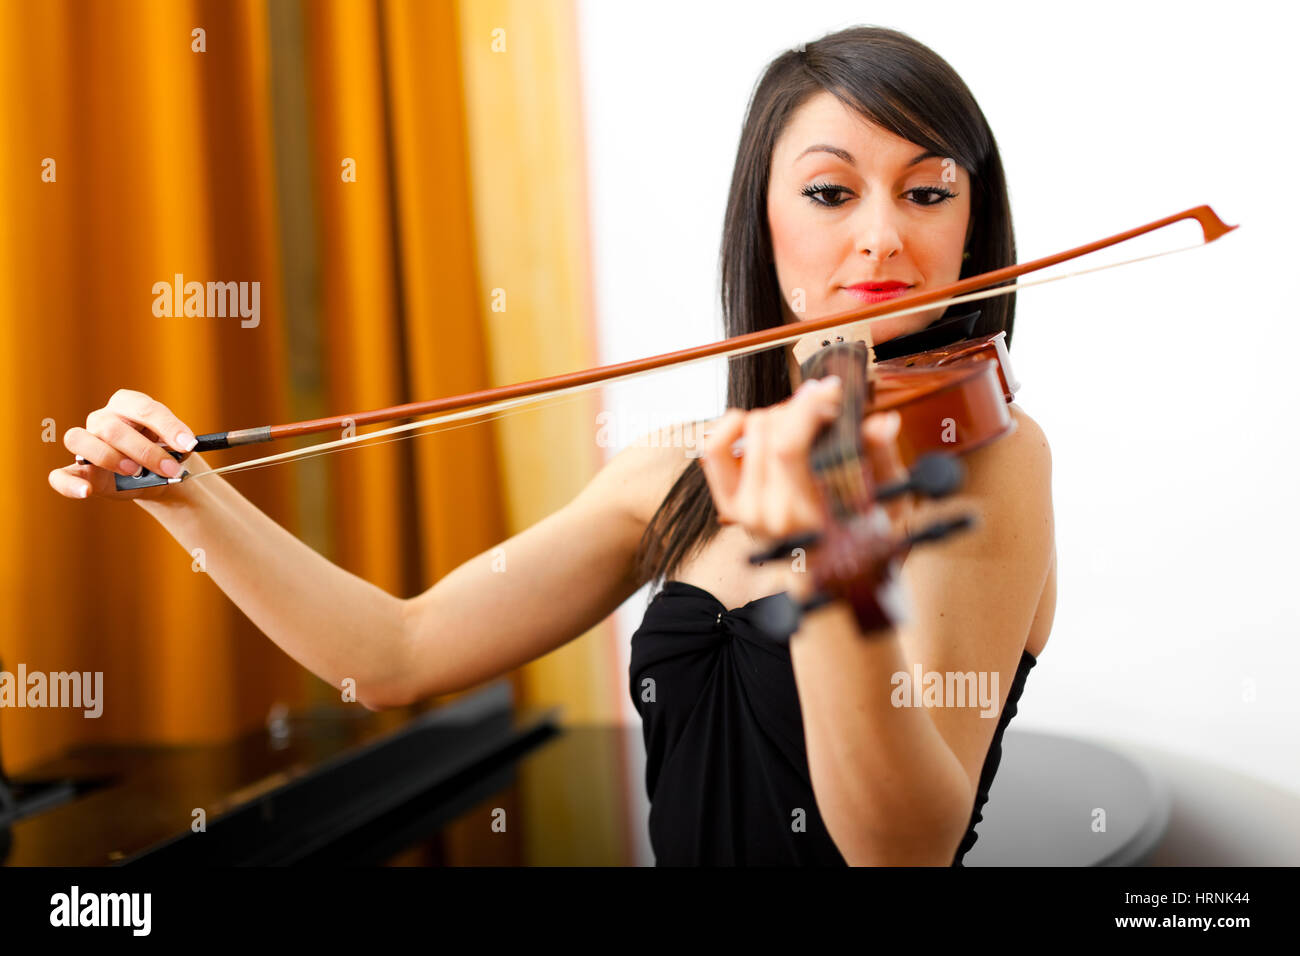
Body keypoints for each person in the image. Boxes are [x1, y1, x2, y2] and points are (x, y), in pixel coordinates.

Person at [48, 25, 1054, 866]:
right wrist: (185, 492)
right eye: (831, 193)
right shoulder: (677, 471)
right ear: (763, 219)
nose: (882, 235)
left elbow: (904, 848)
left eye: (926, 192)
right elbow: (396, 653)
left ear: (970, 227)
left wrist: (836, 549)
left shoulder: (990, 458)